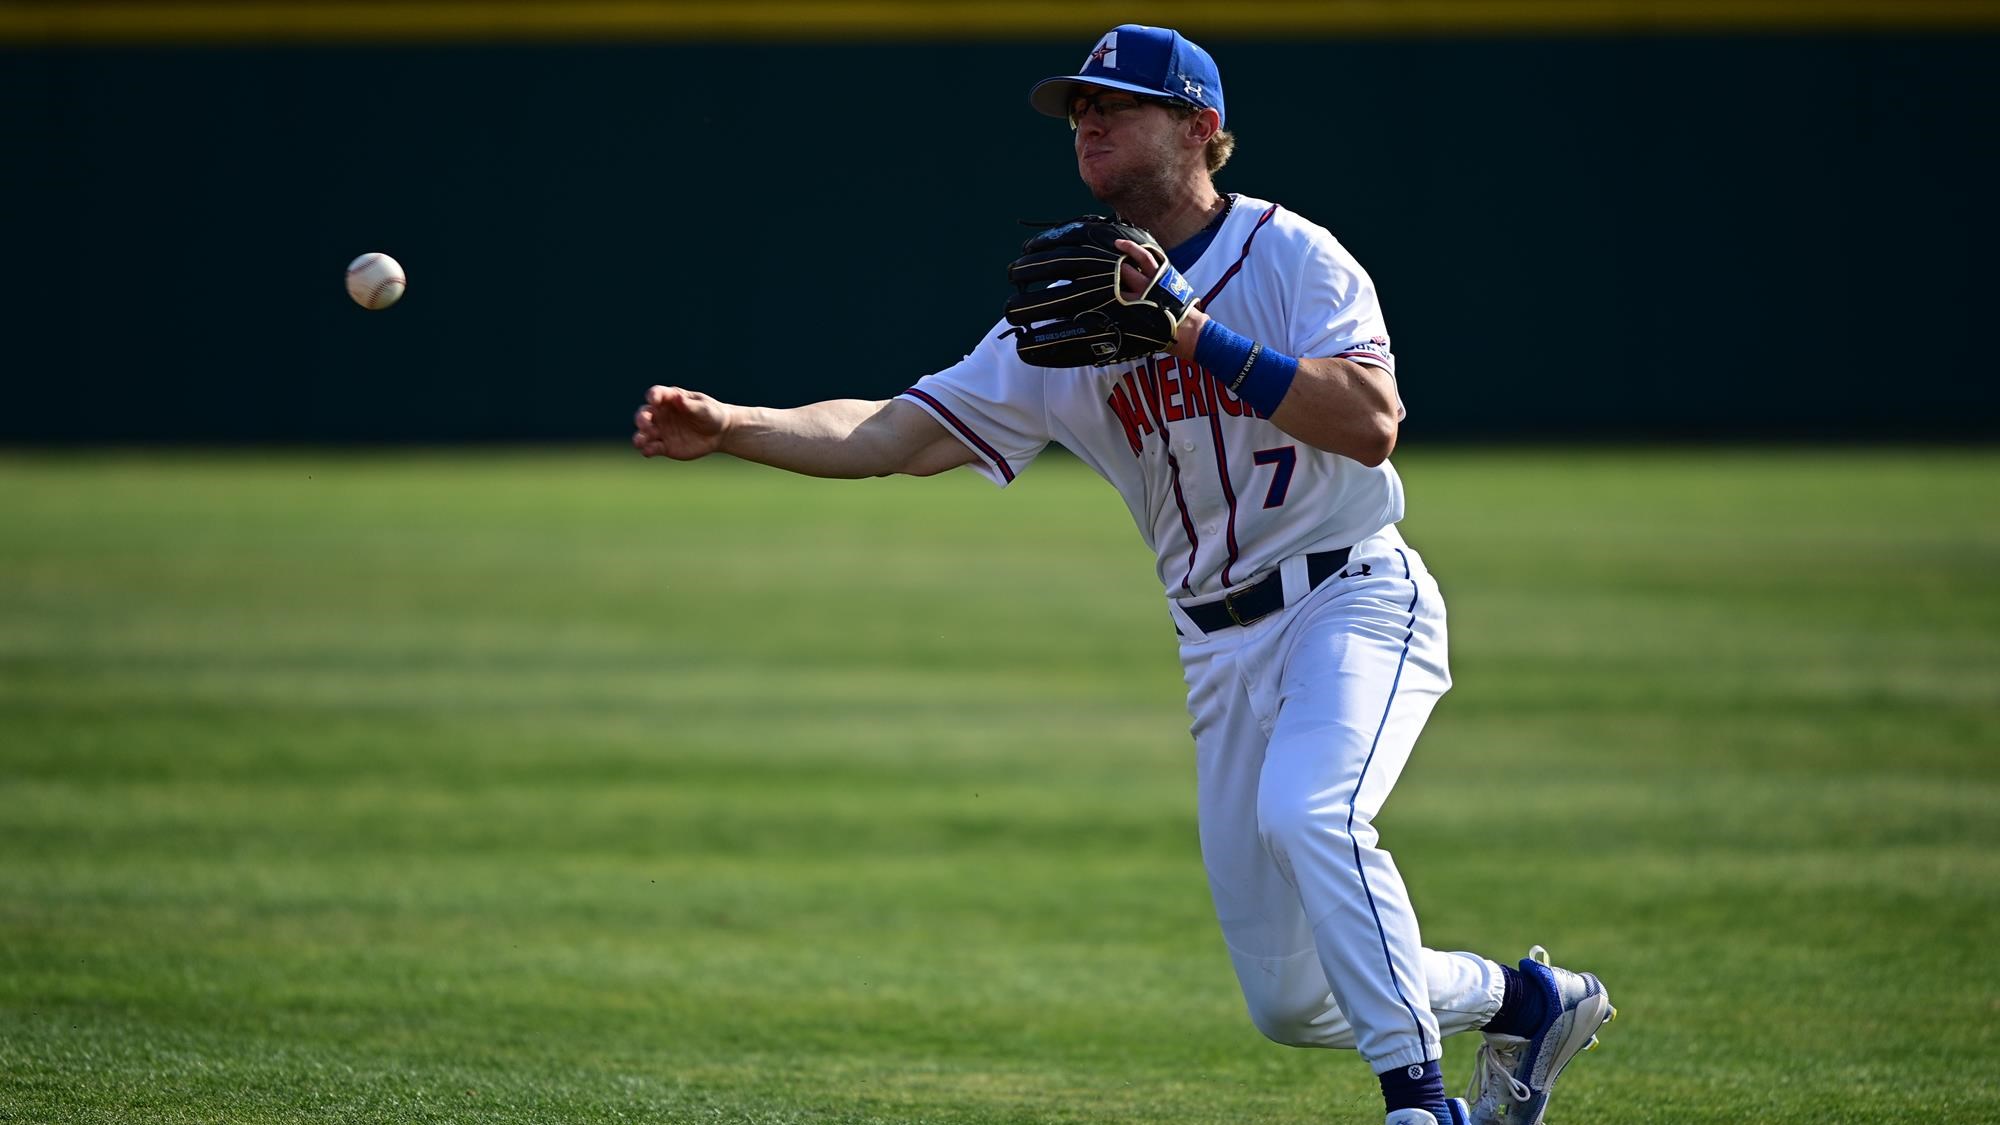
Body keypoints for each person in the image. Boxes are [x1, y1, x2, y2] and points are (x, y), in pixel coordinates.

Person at [632, 24, 1614, 1125]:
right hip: (1215, 647)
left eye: (1116, 104)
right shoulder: (1068, 310)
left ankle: (1418, 1105)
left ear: (1199, 127)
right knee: (1291, 1000)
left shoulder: (1292, 257)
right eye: (1077, 109)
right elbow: (895, 433)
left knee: (1312, 816)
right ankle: (1526, 1001)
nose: (1087, 122)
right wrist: (734, 424)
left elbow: (1370, 421)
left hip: (1349, 599)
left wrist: (1192, 334)